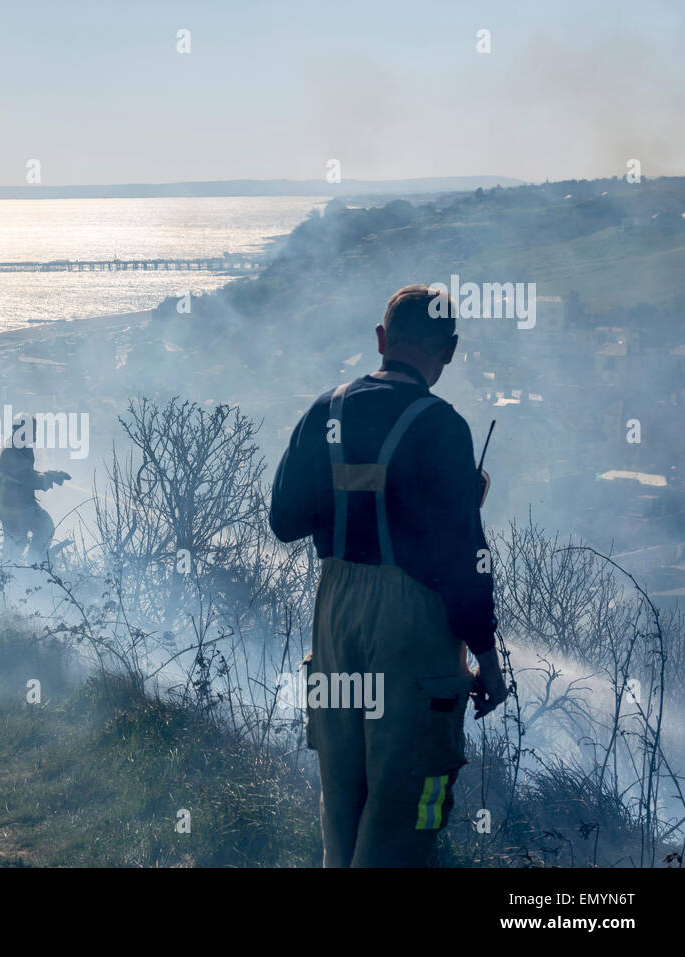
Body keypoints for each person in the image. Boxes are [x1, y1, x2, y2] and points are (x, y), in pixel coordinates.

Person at [269, 284, 509, 867]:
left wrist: (350, 492)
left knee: (342, 802)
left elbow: (284, 521)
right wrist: (488, 656)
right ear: (448, 352)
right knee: (405, 808)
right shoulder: (441, 425)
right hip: (412, 630)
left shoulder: (325, 409)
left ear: (381, 340)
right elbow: (463, 557)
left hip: (335, 618)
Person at [0, 414, 69, 561]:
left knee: (43, 528)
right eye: (33, 431)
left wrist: (52, 474)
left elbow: (28, 474)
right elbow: (30, 479)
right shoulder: (12, 453)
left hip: (22, 509)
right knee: (16, 547)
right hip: (15, 513)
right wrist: (51, 477)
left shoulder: (18, 449)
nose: (35, 435)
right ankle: (33, 565)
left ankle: (33, 564)